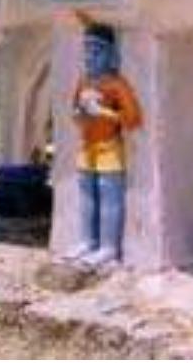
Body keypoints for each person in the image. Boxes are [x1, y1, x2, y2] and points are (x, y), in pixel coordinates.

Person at [66, 22, 142, 267]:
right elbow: (74, 114)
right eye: (87, 51)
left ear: (110, 55)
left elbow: (133, 119)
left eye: (97, 51)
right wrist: (80, 113)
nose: (90, 57)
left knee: (109, 195)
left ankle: (109, 247)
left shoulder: (116, 84)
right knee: (86, 194)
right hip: (86, 145)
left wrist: (103, 112)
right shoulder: (84, 82)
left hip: (109, 146)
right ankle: (87, 240)